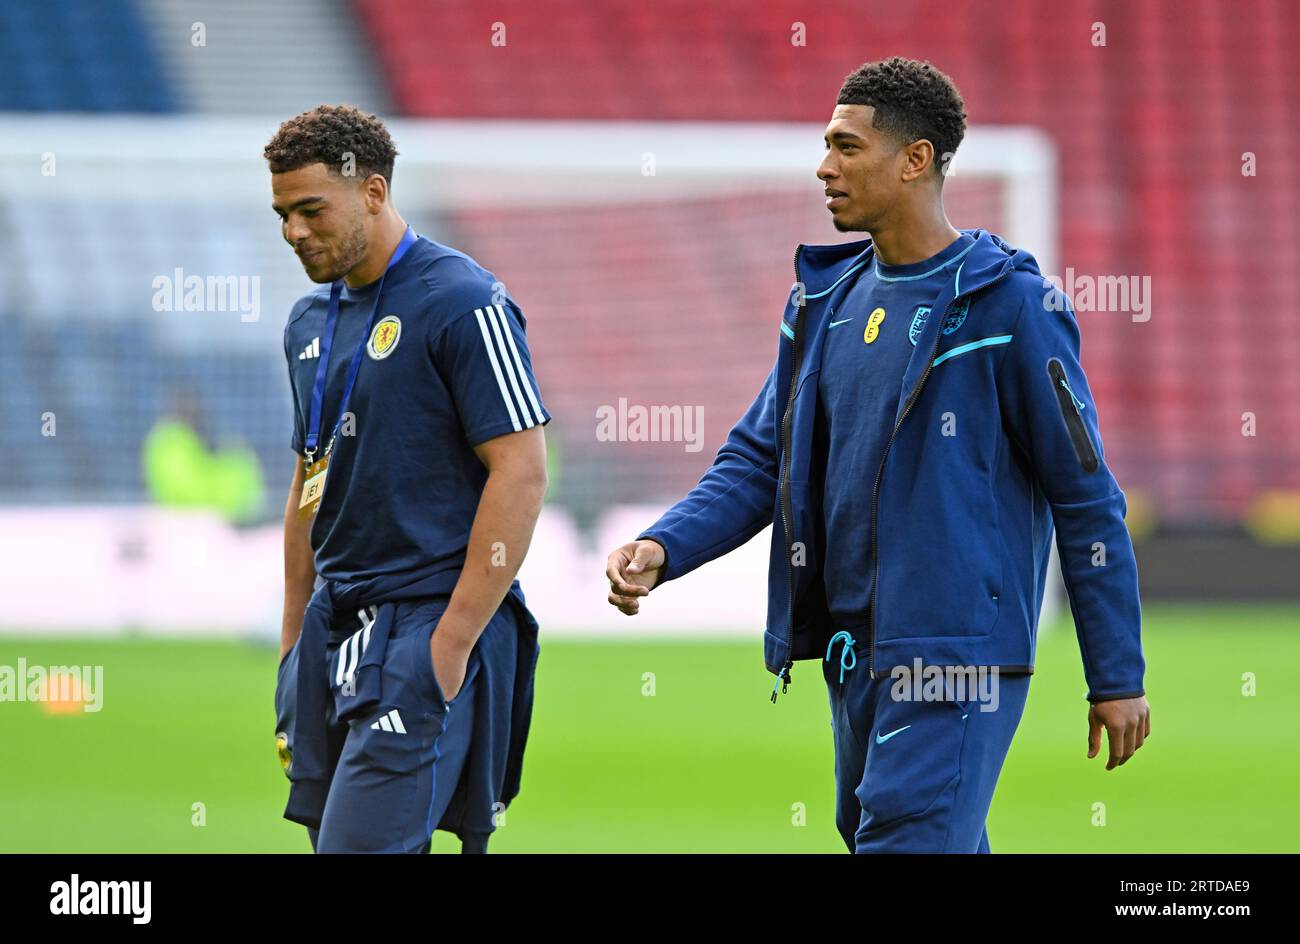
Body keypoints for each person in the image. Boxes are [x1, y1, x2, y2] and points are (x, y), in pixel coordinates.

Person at [605, 58, 1150, 853]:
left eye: (846, 147)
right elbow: (761, 460)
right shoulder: (822, 304)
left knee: (903, 841)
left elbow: (1085, 494)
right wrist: (665, 545)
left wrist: (1117, 672)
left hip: (954, 658)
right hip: (853, 653)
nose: (824, 167)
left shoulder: (1010, 305)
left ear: (915, 160)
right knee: (897, 836)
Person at [266, 105, 550, 853]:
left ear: (372, 191)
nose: (294, 231)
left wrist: (451, 642)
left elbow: (520, 470)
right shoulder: (306, 323)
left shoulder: (463, 300)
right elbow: (309, 479)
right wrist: (295, 637)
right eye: (283, 214)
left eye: (310, 209)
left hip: (425, 623)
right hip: (336, 628)